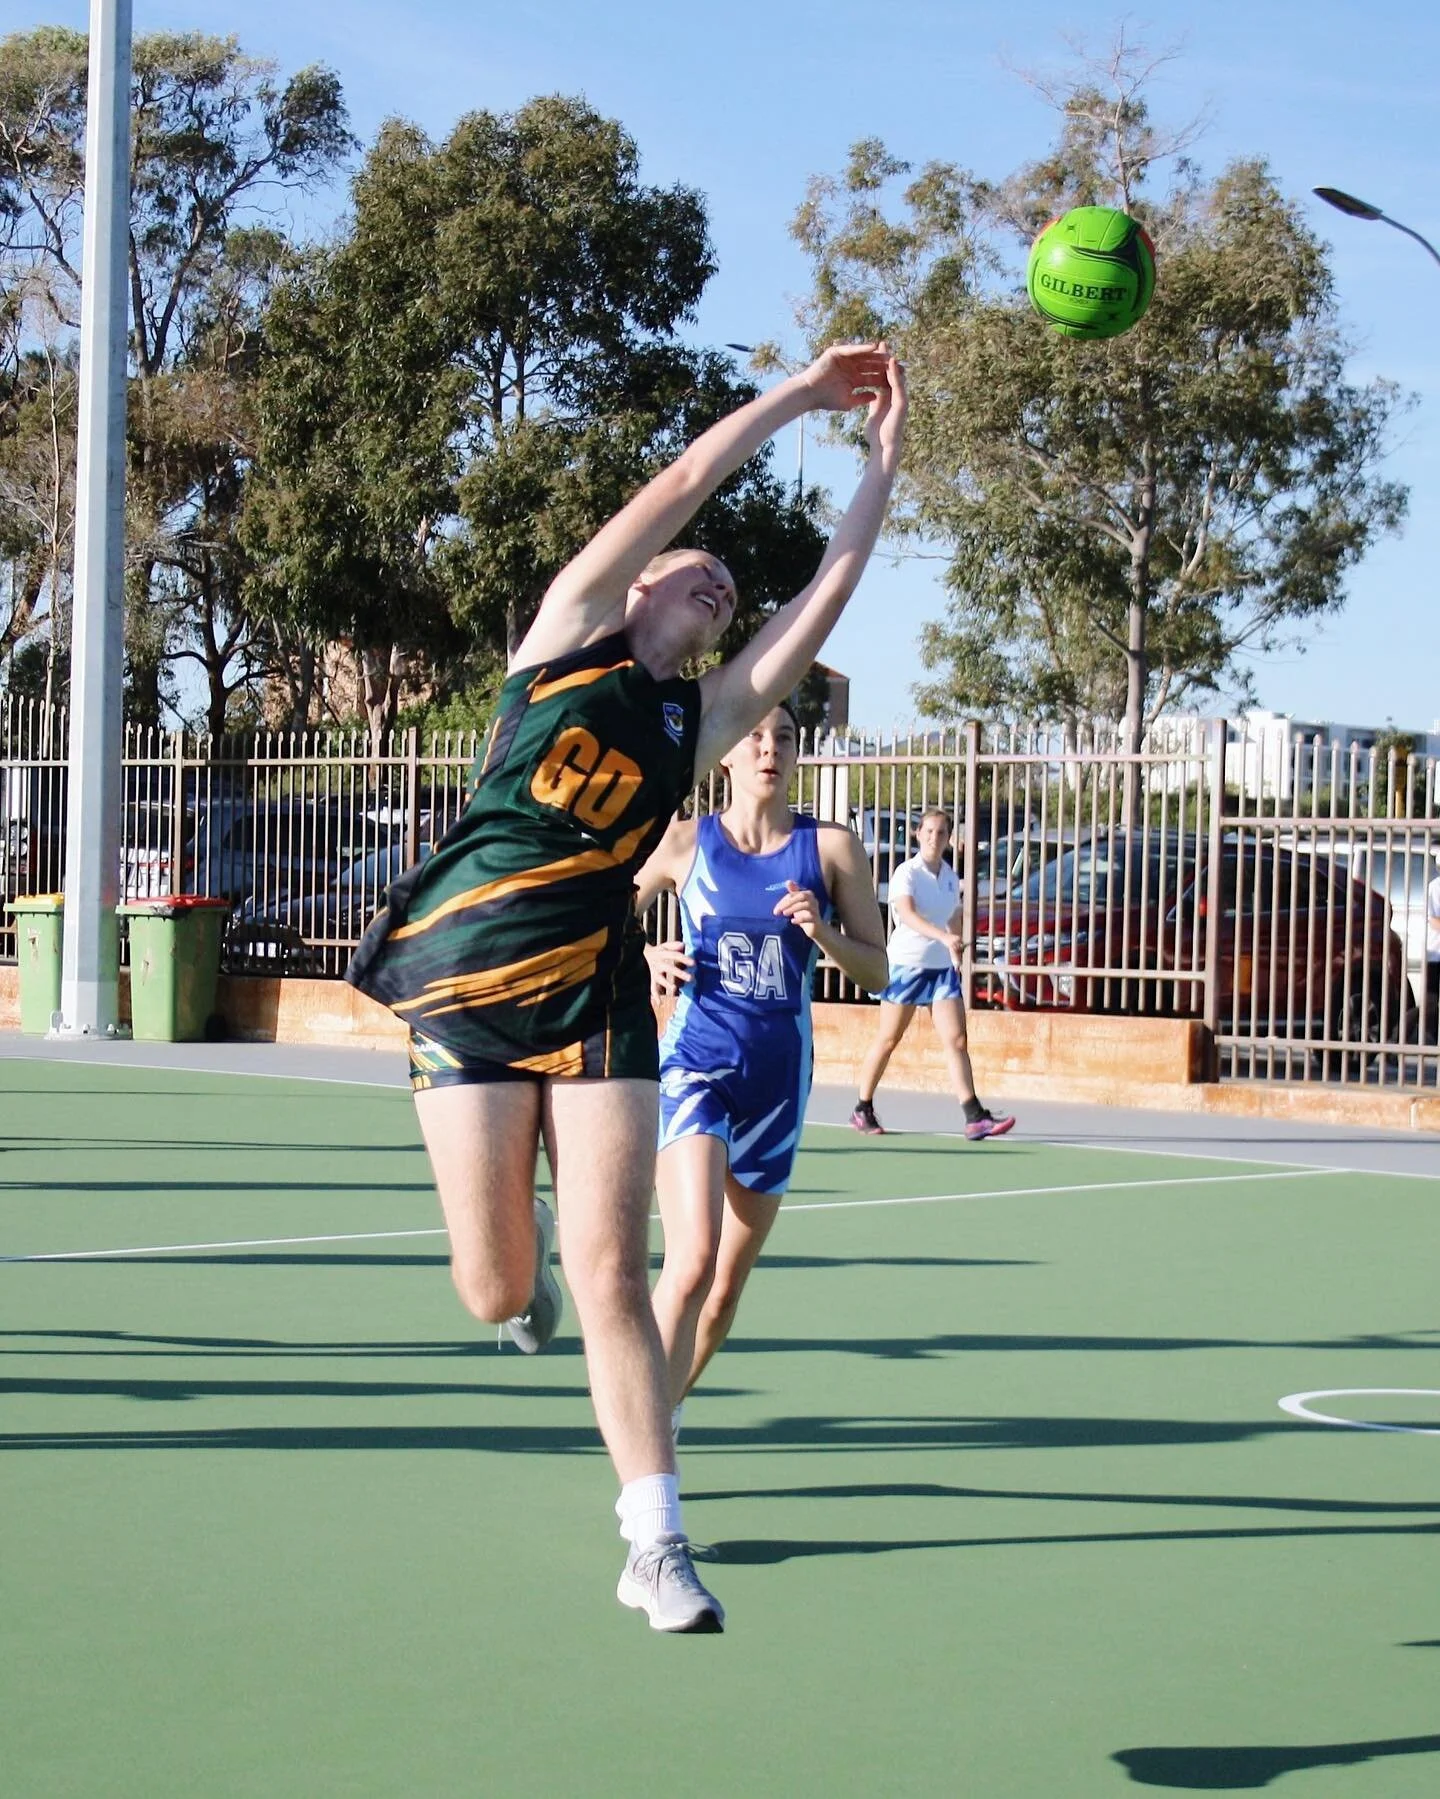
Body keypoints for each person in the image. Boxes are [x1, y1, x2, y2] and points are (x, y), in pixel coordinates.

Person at [347, 343, 907, 1634]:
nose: (720, 586)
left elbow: (826, 593)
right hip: (468, 976)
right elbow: (687, 477)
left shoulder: (696, 722)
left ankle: (654, 1542)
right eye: (701, 570)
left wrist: (881, 465)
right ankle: (515, 1259)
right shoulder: (563, 637)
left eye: (730, 593)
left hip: (596, 989)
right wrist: (806, 395)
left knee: (614, 1266)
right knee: (498, 1289)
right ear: (643, 580)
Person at [635, 700, 888, 1441]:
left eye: (784, 737)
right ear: (726, 753)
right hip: (694, 1067)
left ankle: (665, 1407)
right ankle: (643, 1446)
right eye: (754, 736)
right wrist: (644, 953)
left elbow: (877, 971)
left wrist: (824, 933)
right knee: (691, 1260)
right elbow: (603, 916)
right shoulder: (685, 843)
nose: (769, 748)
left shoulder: (831, 849)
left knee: (721, 1292)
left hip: (776, 1090)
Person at [849, 807, 1015, 1141]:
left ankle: (974, 1116)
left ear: (949, 838)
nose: (934, 838)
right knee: (888, 1039)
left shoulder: (950, 876)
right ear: (918, 834)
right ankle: (862, 1108)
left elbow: (952, 916)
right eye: (928, 831)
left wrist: (954, 948)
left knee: (957, 1040)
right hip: (906, 966)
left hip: (940, 971)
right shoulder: (906, 873)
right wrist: (942, 937)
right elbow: (907, 914)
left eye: (941, 833)